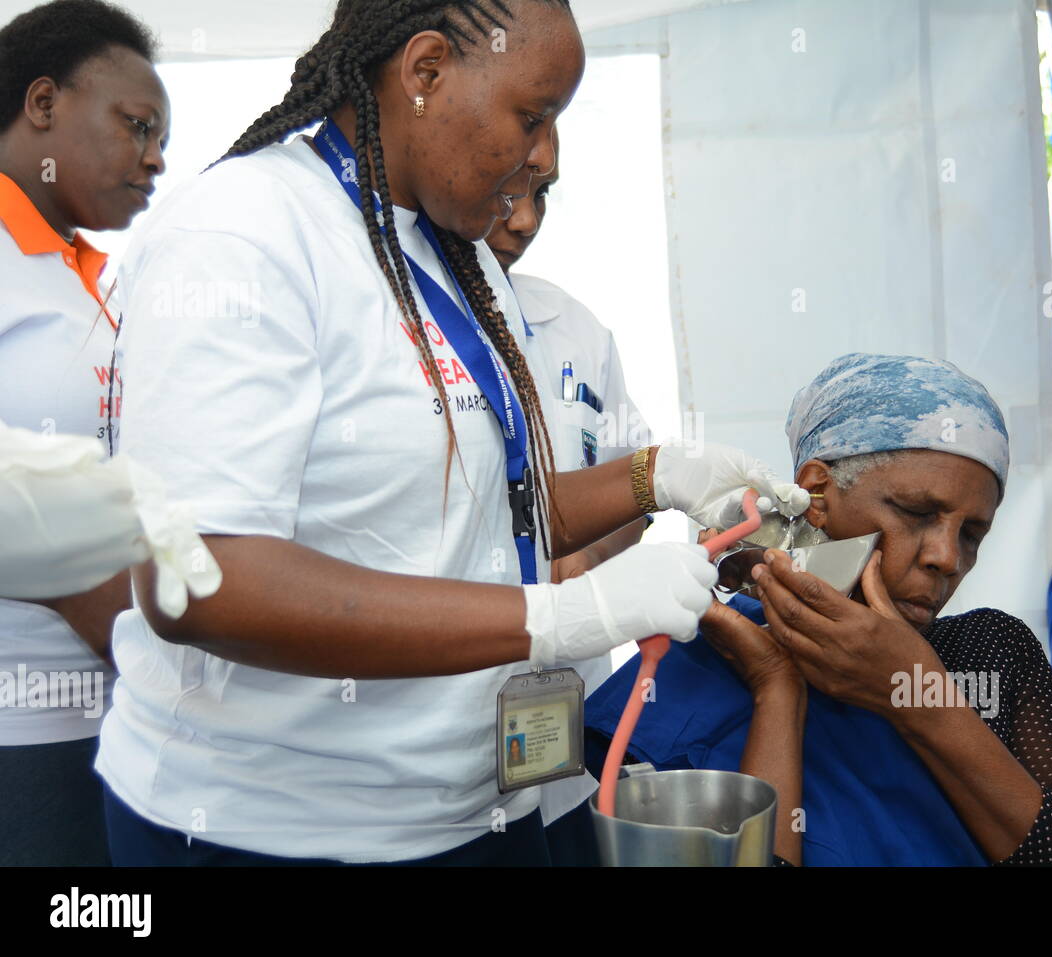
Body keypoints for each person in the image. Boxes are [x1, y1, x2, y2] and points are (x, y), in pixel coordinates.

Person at [98, 0, 807, 867]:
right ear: (426, 71)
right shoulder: (245, 232)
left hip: (475, 813)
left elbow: (495, 511)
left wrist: (660, 476)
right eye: (532, 115)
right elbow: (197, 581)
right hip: (274, 830)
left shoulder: (453, 256)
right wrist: (561, 615)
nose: (543, 155)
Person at [587, 354, 1052, 867]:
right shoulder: (707, 664)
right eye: (915, 512)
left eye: (973, 534)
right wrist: (776, 691)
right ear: (816, 490)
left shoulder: (988, 654)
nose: (946, 558)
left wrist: (922, 698)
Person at [0, 0, 168, 866]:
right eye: (136, 126)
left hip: (119, 715)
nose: (156, 157)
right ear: (42, 106)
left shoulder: (96, 279)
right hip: (21, 729)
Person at [484, 126, 653, 865]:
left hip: (569, 715)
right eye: (507, 186)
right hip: (447, 741)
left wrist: (586, 556)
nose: (524, 217)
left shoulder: (576, 331)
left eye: (541, 192)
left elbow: (634, 487)